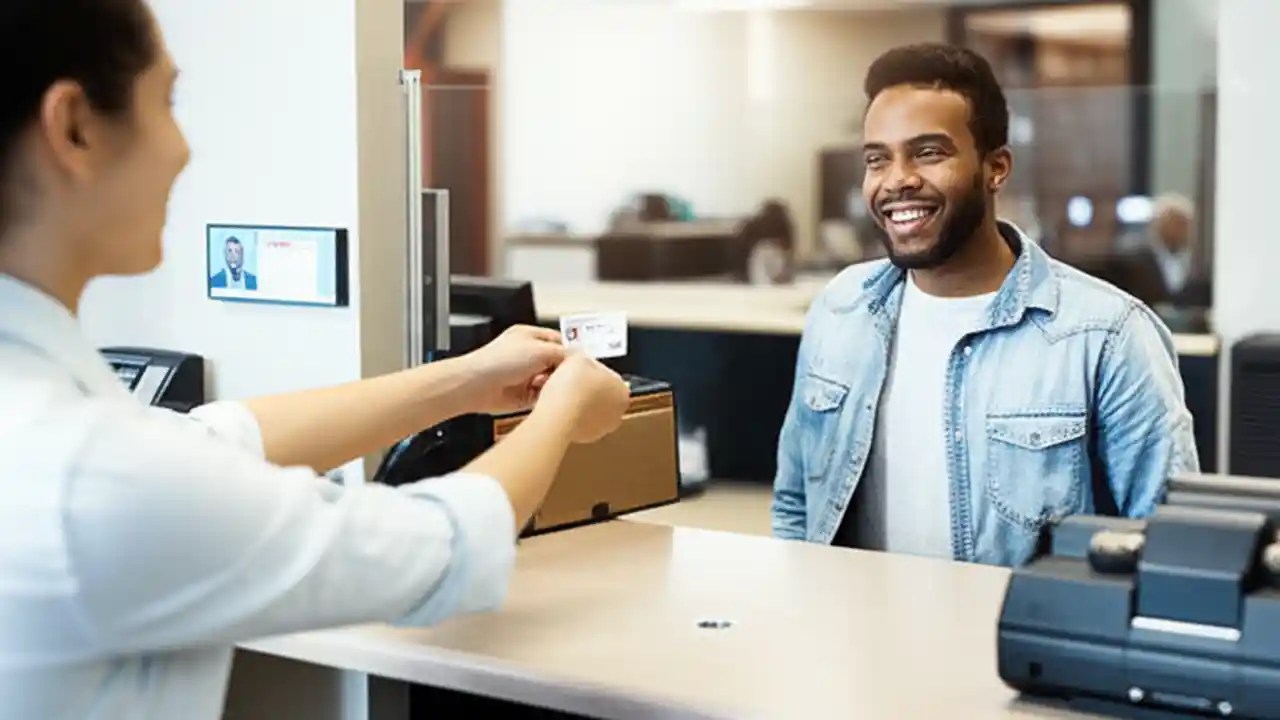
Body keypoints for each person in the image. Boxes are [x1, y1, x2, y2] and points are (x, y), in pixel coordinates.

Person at [0, 2, 630, 718]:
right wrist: (563, 411)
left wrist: (467, 379)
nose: (183, 148)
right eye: (168, 102)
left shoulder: (43, 413)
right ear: (75, 126)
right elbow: (443, 548)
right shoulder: (84, 471)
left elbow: (214, 438)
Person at [771, 43, 1199, 567]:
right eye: (877, 159)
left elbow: (1167, 545)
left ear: (996, 168)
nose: (897, 179)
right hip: (855, 642)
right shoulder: (840, 311)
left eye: (928, 153)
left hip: (1020, 644)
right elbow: (796, 503)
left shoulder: (1106, 334)